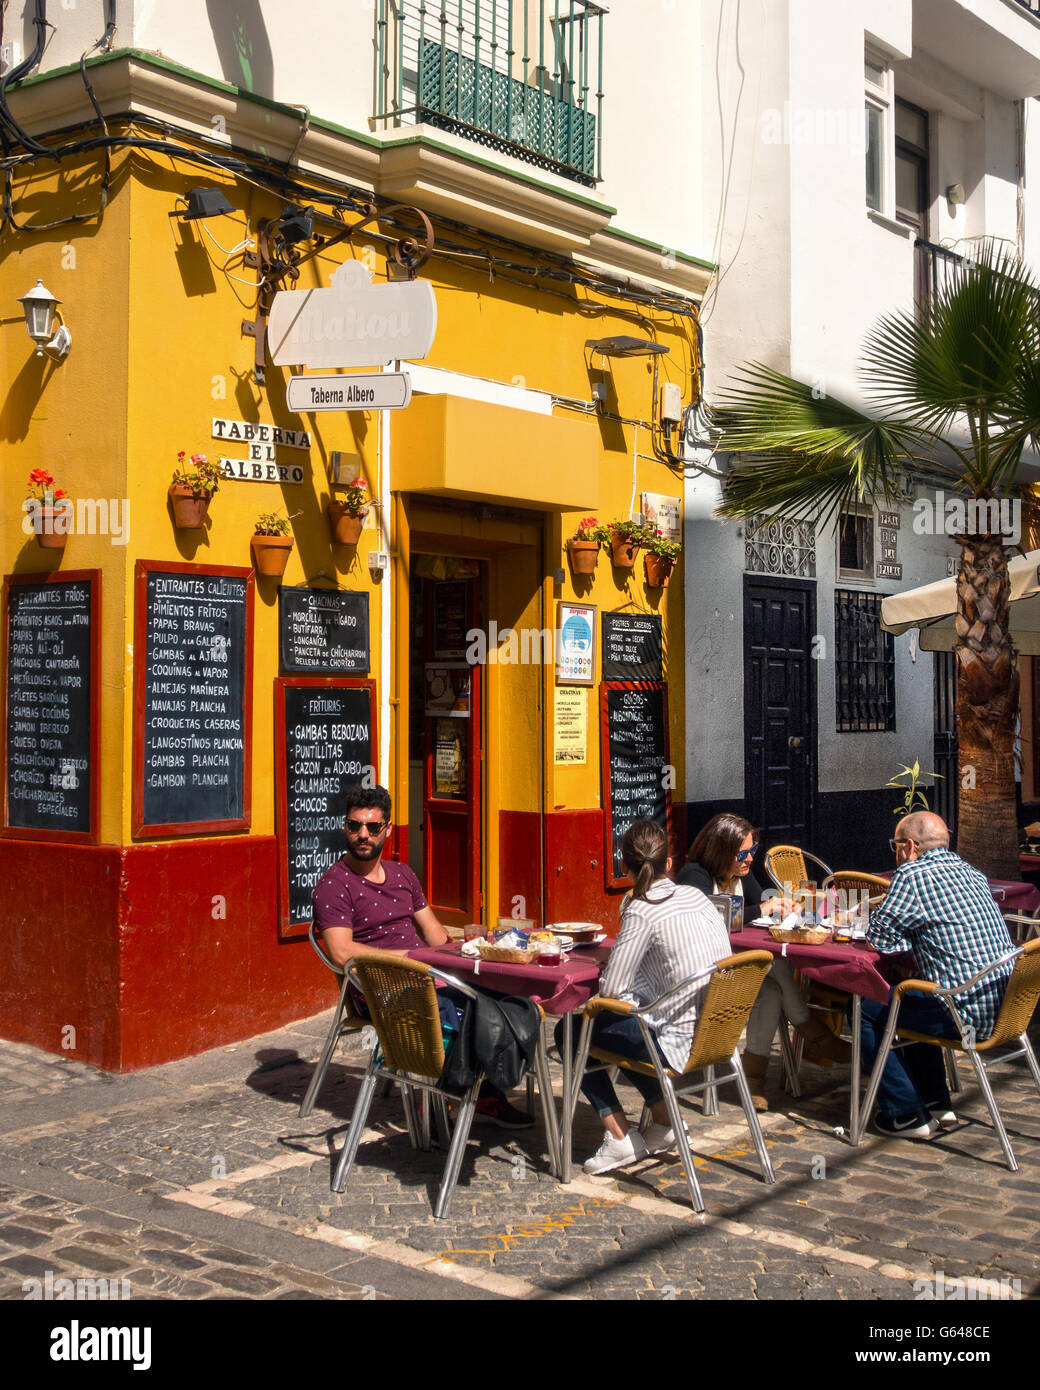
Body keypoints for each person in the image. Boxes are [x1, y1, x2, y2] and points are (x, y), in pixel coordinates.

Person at [312, 784, 533, 1128]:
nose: (362, 835)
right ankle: (442, 1096)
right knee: (465, 1010)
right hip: (377, 985)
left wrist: (471, 949)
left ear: (387, 829)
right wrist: (411, 957)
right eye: (355, 826)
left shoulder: (403, 875)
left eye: (372, 827)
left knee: (503, 999)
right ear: (345, 827)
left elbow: (435, 935)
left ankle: (482, 1092)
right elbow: (341, 953)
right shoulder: (334, 885)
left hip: (426, 974)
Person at [558, 818, 732, 1175]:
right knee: (624, 1027)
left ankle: (620, 1136)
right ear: (670, 864)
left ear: (625, 868)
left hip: (675, 1042)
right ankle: (665, 1121)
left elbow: (613, 990)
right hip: (717, 1032)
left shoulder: (641, 909)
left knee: (574, 1031)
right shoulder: (697, 896)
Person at [861, 810, 1015, 1139]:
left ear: (910, 847)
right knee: (912, 995)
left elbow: (880, 940)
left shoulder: (912, 876)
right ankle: (934, 1100)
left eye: (895, 845)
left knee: (866, 1004)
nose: (897, 852)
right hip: (1008, 1009)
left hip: (966, 1016)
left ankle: (904, 1114)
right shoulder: (973, 873)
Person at [676, 814, 849, 1108]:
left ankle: (754, 1081)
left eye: (753, 852)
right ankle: (812, 1031)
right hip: (700, 974)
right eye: (743, 853)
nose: (749, 859)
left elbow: (759, 908)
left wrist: (781, 908)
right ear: (720, 850)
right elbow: (707, 922)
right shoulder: (695, 876)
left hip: (734, 965)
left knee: (770, 988)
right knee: (776, 963)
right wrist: (765, 907)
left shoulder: (740, 873)